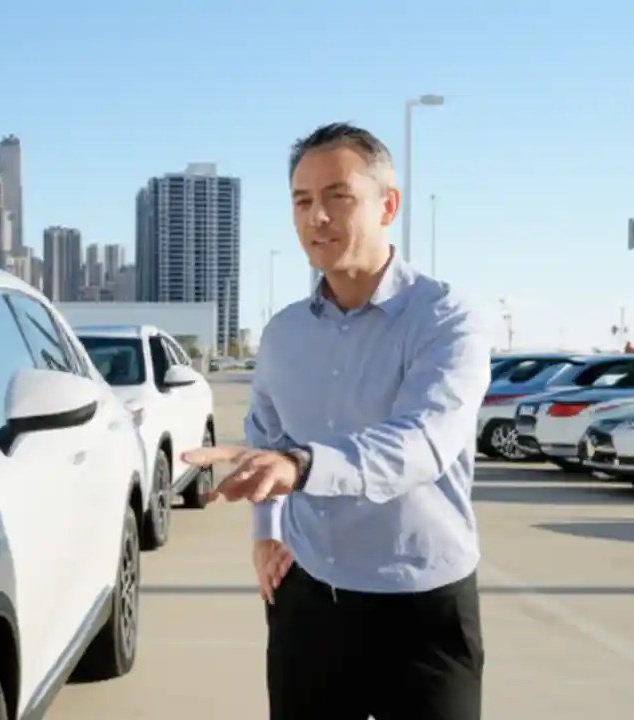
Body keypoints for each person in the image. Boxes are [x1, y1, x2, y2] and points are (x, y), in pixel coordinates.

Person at [183, 122, 491, 720]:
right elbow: (266, 439)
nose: (316, 217)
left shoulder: (444, 319)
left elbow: (423, 442)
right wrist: (266, 532)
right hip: (309, 601)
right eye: (302, 201)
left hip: (422, 603)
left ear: (388, 205)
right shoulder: (284, 333)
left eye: (337, 196)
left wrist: (301, 466)